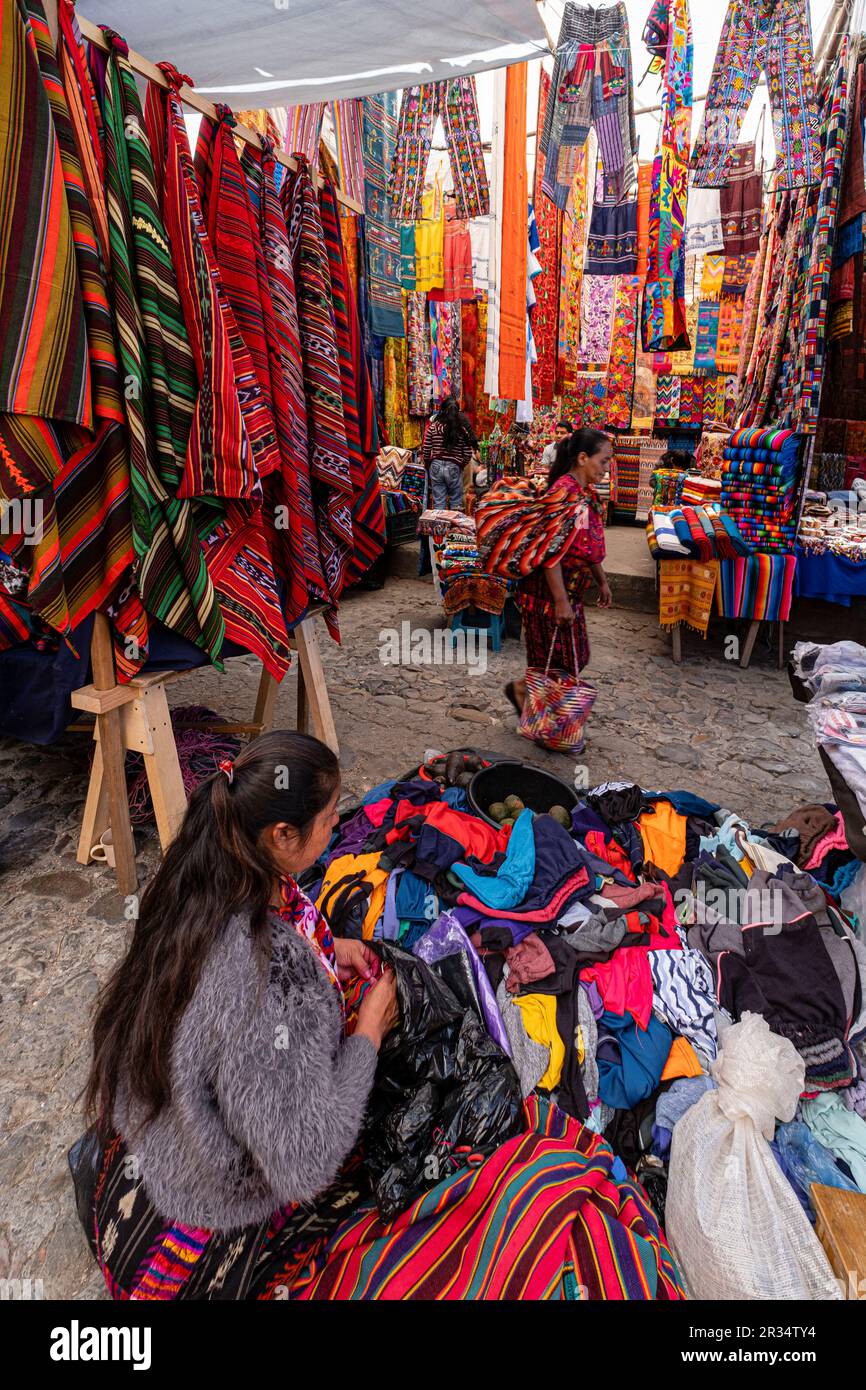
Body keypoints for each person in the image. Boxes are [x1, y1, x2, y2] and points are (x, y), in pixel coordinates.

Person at [82, 731, 399, 1300]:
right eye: (329, 818)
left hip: (163, 1134)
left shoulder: (197, 879)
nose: (335, 828)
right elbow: (306, 1159)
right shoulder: (269, 979)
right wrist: (369, 1035)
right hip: (206, 1203)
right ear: (282, 834)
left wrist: (329, 947)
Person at [506, 428, 613, 720]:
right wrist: (560, 600)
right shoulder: (563, 493)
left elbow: (585, 543)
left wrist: (601, 581)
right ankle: (539, 713)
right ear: (582, 458)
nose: (606, 469)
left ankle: (533, 703)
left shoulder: (584, 494)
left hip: (568, 592)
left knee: (570, 656)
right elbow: (549, 551)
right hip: (546, 594)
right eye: (603, 462)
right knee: (555, 659)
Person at [422, 394, 478, 511]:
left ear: (442, 410)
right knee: (455, 505)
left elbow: (426, 448)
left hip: (436, 466)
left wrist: (427, 463)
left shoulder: (434, 427)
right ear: (458, 412)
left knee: (439, 504)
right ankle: (453, 529)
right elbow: (467, 452)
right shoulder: (461, 430)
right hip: (454, 467)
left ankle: (440, 528)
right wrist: (461, 464)